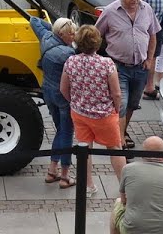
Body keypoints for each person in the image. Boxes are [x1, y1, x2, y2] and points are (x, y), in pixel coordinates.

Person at [59, 25, 126, 194]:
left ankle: (88, 186)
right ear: (97, 43)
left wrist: (75, 102)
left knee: (84, 151)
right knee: (116, 150)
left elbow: (63, 89)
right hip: (104, 115)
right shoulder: (106, 64)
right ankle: (124, 189)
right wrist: (116, 110)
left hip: (80, 113)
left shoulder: (71, 62)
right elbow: (116, 93)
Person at [95, 0, 158, 149]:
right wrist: (98, 59)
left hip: (140, 67)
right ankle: (120, 142)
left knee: (132, 104)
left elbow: (152, 35)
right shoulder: (110, 11)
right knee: (120, 104)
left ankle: (122, 132)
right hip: (118, 67)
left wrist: (149, 58)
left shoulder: (147, 10)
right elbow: (96, 35)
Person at [29, 16, 77, 188]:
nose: (74, 36)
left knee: (60, 130)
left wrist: (56, 27)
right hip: (63, 97)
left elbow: (34, 20)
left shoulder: (46, 37)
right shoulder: (68, 54)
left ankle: (51, 171)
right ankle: (64, 176)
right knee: (66, 133)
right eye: (71, 34)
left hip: (48, 91)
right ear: (62, 35)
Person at [110, 135, 163, 234]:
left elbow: (123, 200)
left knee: (118, 203)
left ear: (142, 154)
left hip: (132, 228)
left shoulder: (128, 169)